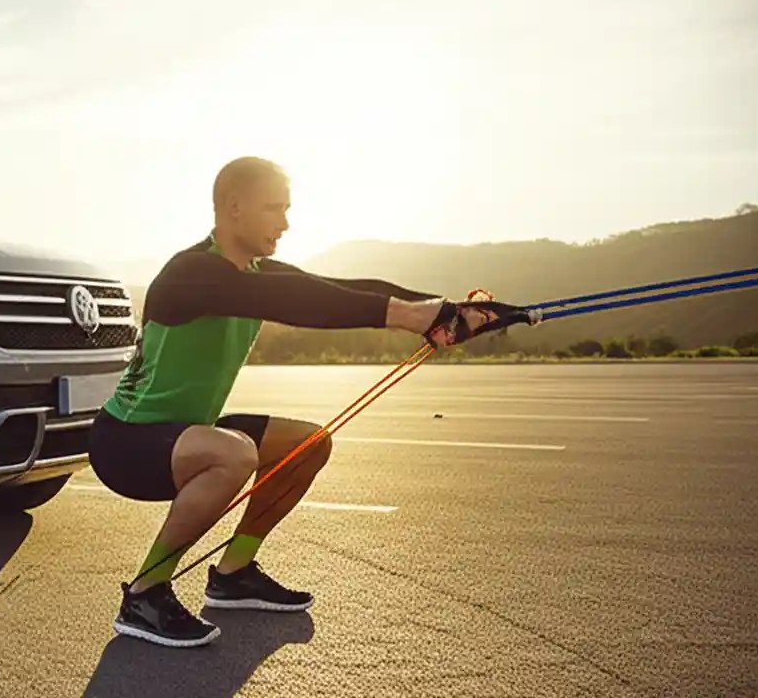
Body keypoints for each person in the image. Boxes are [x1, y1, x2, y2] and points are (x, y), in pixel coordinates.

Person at [87, 156, 515, 648]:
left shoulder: (254, 270)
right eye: (274, 209)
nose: (286, 223)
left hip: (184, 435)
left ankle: (234, 573)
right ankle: (145, 593)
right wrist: (409, 317)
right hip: (125, 444)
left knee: (309, 443)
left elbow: (332, 289)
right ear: (233, 207)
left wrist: (451, 311)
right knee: (236, 453)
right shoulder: (192, 273)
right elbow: (296, 302)